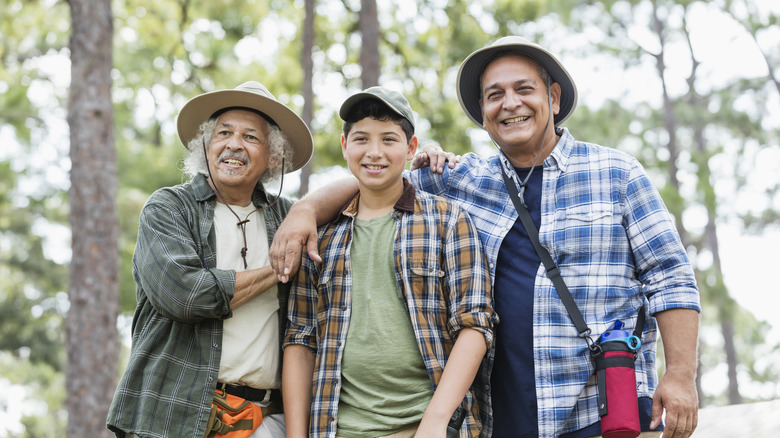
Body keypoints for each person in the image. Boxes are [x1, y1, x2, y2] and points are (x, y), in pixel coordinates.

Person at [269, 36, 701, 438]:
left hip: (600, 409)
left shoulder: (616, 174)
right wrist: (305, 210)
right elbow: (378, 179)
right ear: (482, 110)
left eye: (524, 89)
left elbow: (670, 276)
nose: (510, 104)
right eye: (495, 95)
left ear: (552, 97)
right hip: (502, 418)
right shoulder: (463, 181)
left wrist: (680, 375)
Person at [282, 86, 496, 438]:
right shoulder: (321, 237)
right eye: (362, 139)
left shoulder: (447, 221)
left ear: (411, 149)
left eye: (389, 140)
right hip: (338, 428)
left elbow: (475, 324)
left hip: (427, 426)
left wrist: (436, 421)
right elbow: (301, 339)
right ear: (344, 146)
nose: (375, 152)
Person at [106, 81, 313, 438]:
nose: (234, 144)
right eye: (223, 133)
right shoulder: (169, 207)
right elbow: (186, 295)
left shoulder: (288, 218)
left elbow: (358, 194)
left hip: (265, 419)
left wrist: (428, 162)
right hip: (174, 414)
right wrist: (278, 268)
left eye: (251, 137)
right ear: (206, 145)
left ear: (273, 157)